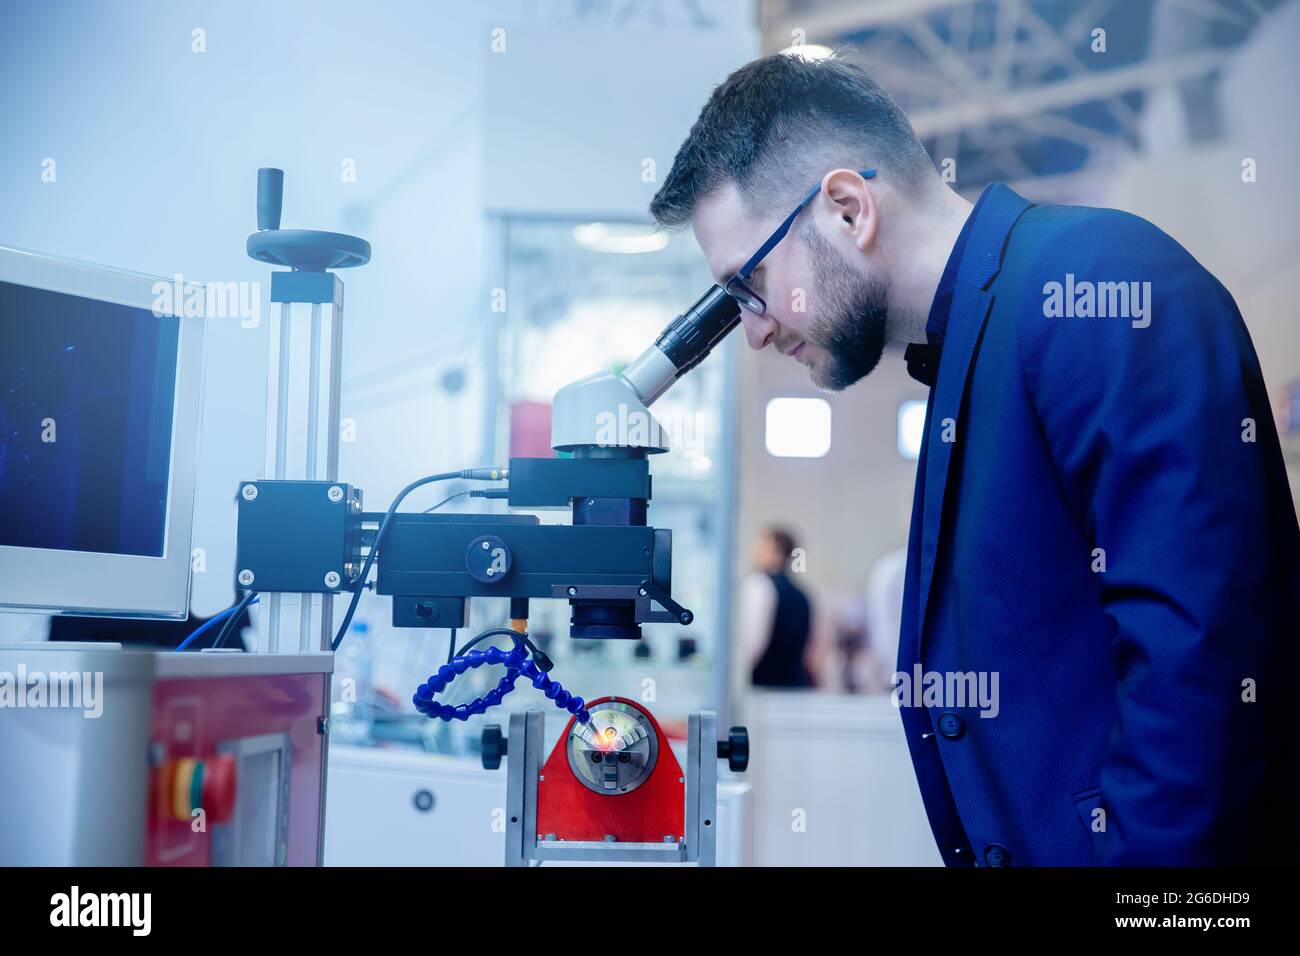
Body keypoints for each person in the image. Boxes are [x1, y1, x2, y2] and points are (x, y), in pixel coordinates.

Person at [650, 51, 1299, 866]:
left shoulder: (1099, 284)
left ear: (848, 208)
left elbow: (1203, 678)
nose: (753, 328)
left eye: (749, 285)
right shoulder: (976, 351)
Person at [739, 527, 815, 688]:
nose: (757, 553)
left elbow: (754, 643)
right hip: (794, 685)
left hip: (763, 685)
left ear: (779, 554)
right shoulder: (803, 594)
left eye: (763, 548)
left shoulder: (758, 584)